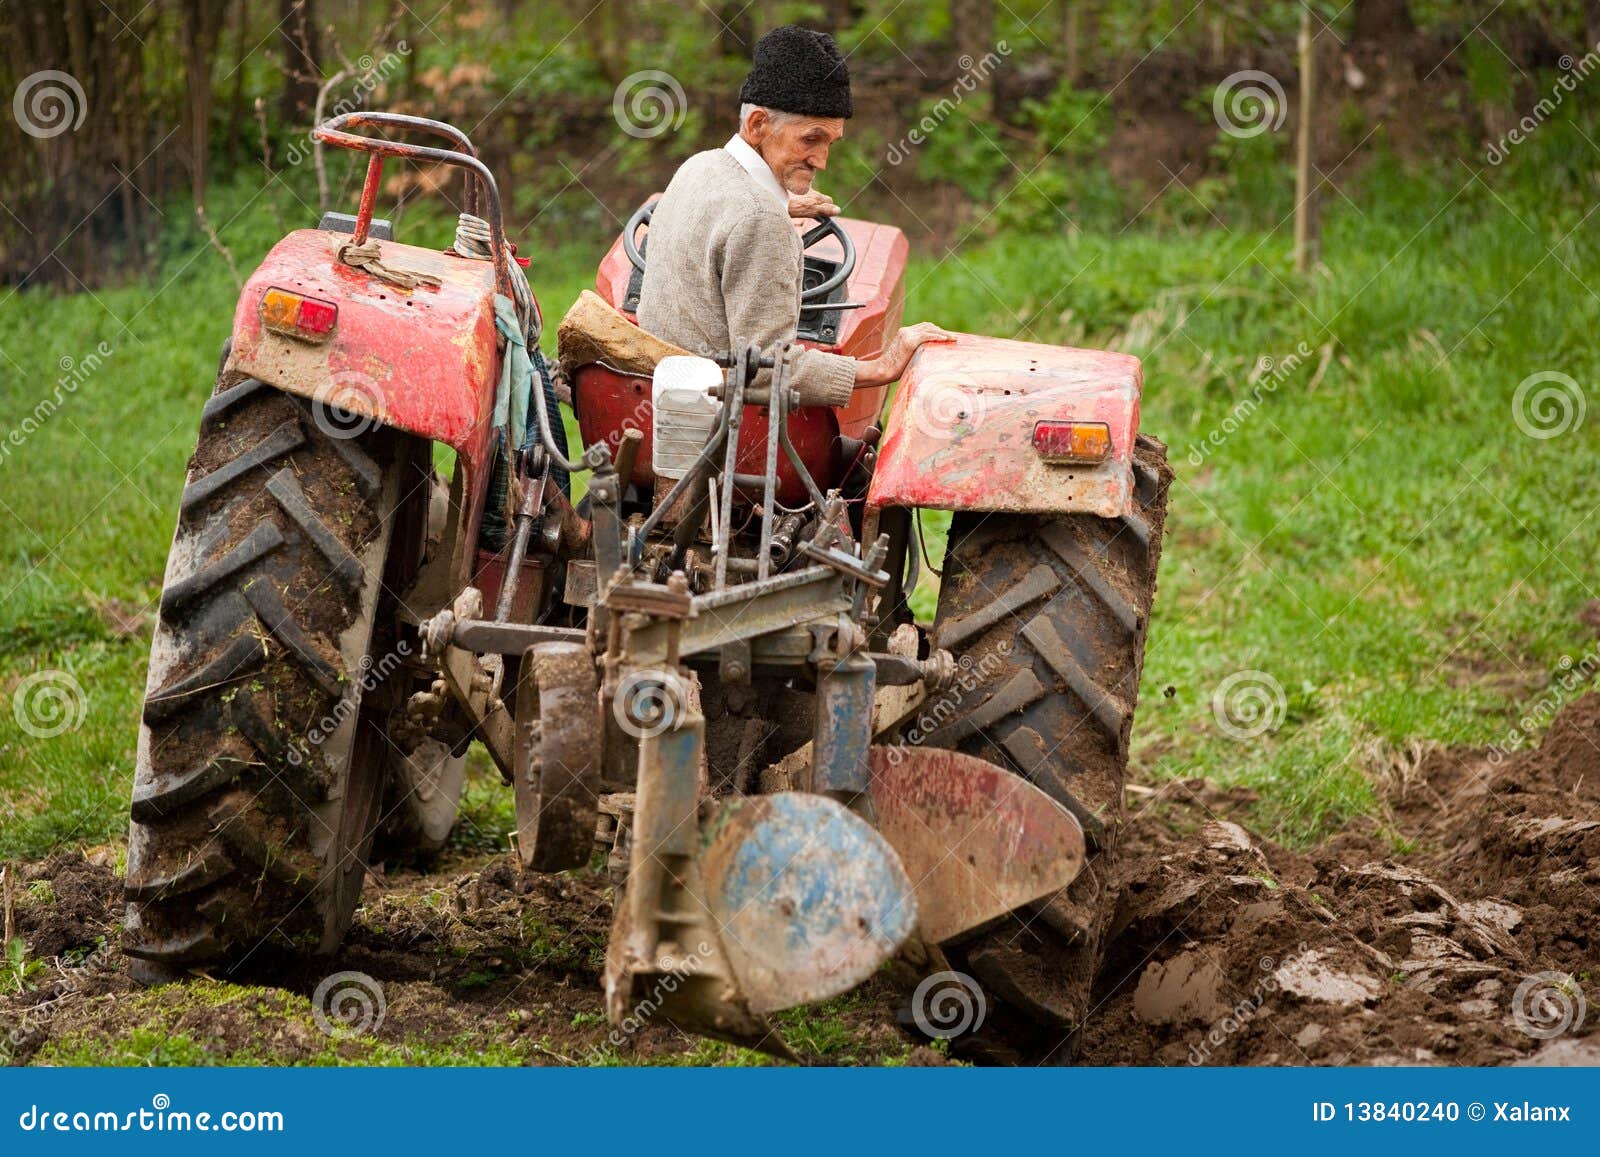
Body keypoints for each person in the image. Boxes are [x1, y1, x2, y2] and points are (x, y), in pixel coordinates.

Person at [636, 25, 953, 406]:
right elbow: (766, 371)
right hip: (720, 421)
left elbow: (725, 216)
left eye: (830, 143)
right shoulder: (760, 221)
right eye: (810, 139)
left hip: (652, 395)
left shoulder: (698, 167)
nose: (822, 161)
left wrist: (779, 204)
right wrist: (880, 368)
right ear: (757, 125)